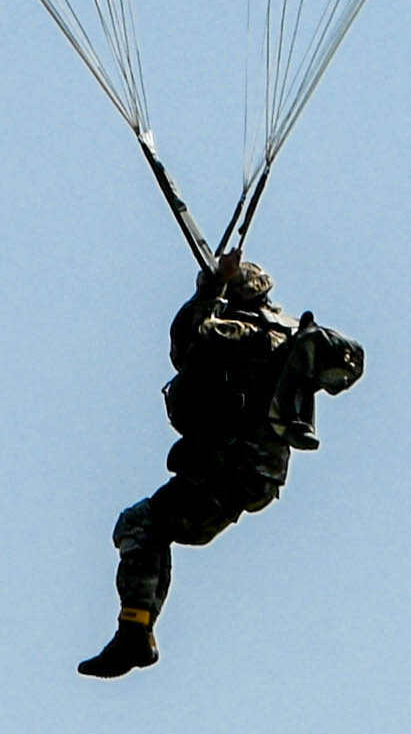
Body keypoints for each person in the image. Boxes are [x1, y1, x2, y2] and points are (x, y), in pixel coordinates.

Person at [79, 251, 364, 675]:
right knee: (159, 525)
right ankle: (136, 633)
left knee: (141, 524)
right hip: (259, 474)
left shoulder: (237, 333)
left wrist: (209, 288)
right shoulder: (291, 338)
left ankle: (134, 634)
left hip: (226, 466)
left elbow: (185, 343)